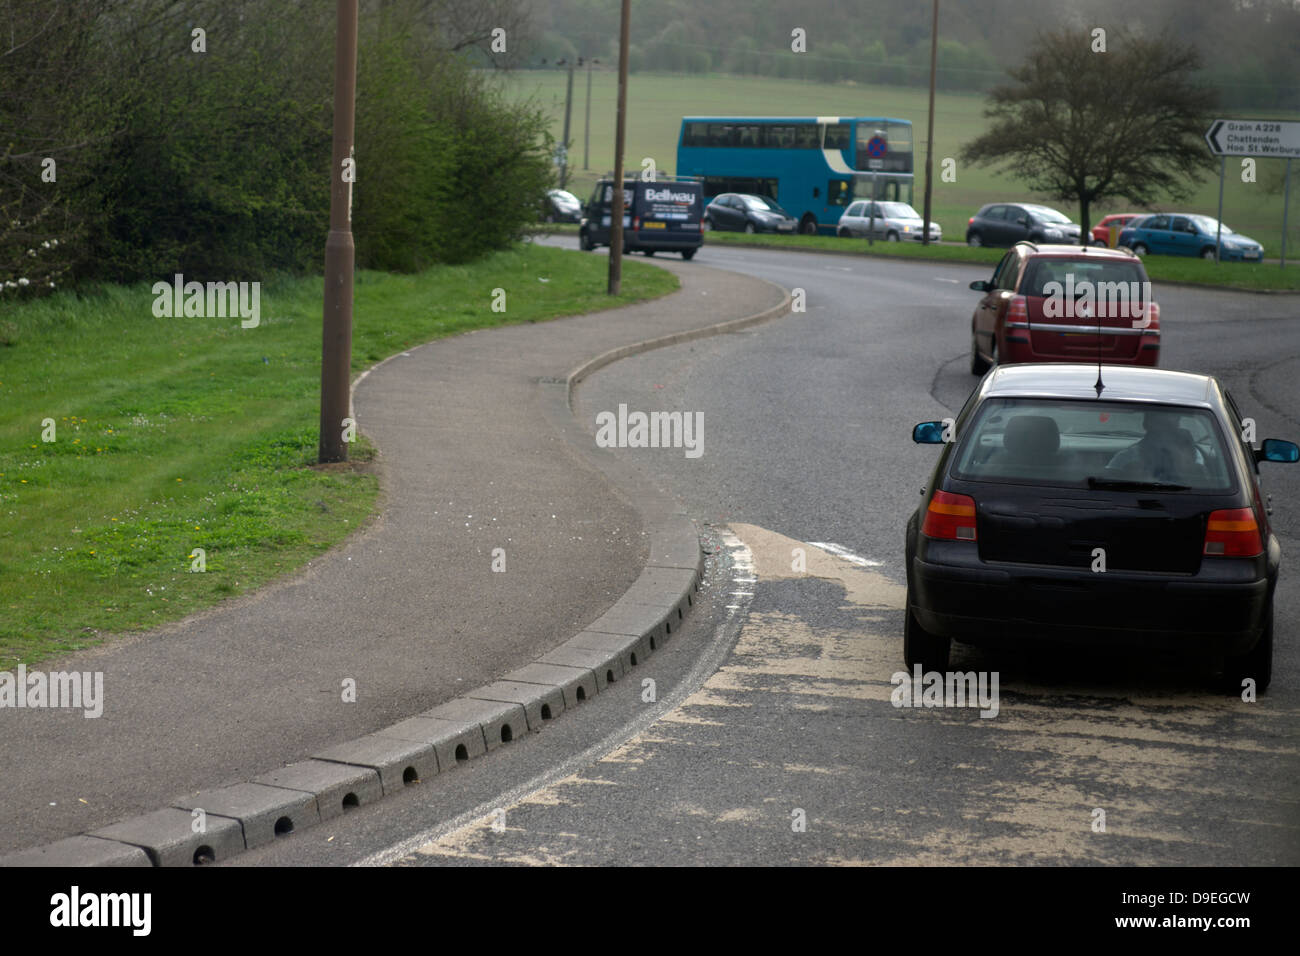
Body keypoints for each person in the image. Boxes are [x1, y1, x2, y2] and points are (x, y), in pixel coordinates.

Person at [1105, 411, 1202, 482]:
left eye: (1168, 425)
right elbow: (1106, 483)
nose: (1164, 431)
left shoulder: (1194, 456)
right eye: (1160, 423)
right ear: (1147, 424)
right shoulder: (1127, 458)